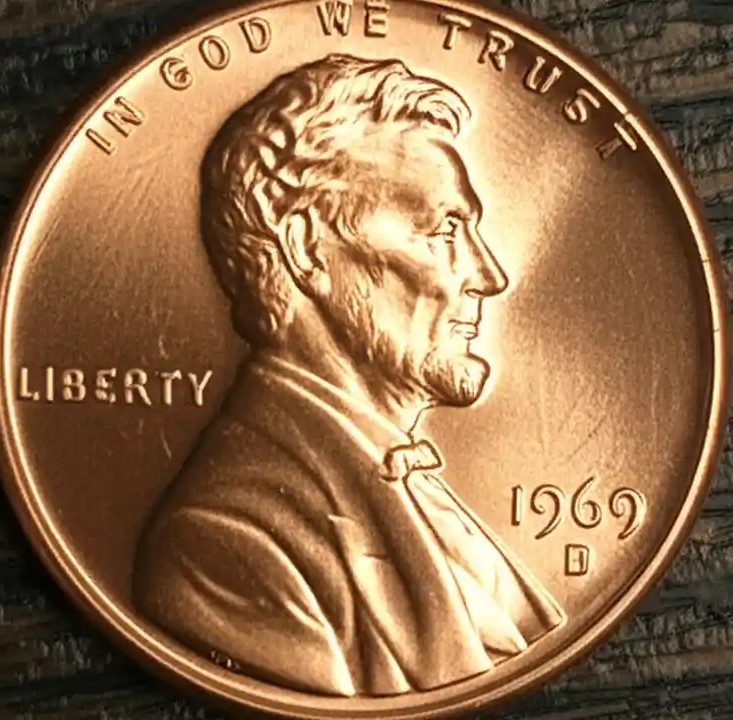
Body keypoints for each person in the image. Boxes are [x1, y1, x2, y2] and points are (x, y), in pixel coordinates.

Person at [132, 53, 563, 697]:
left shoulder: (410, 484)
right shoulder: (223, 547)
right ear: (306, 247)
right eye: (444, 230)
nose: (488, 274)